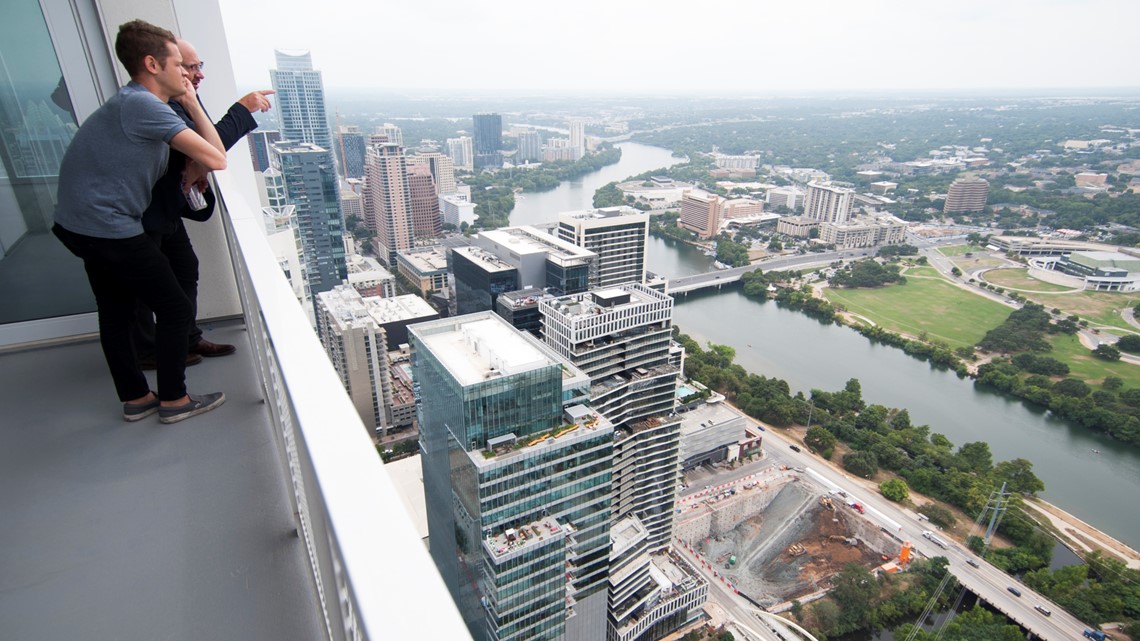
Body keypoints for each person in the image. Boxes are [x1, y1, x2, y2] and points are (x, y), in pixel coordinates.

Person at [52, 20, 227, 424]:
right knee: (174, 305)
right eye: (178, 65)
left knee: (115, 311)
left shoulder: (130, 102)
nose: (186, 72)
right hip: (106, 226)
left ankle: (135, 397)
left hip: (78, 224)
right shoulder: (143, 106)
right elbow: (216, 158)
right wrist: (193, 103)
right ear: (152, 64)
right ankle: (174, 400)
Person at [131, 38, 273, 368]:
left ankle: (186, 338)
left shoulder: (177, 98)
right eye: (191, 66)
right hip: (139, 211)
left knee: (185, 269)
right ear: (163, 66)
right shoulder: (157, 104)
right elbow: (212, 148)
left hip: (164, 208)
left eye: (199, 65)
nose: (199, 74)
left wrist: (197, 164)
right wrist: (241, 110)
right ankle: (148, 352)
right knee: (140, 288)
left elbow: (203, 147)